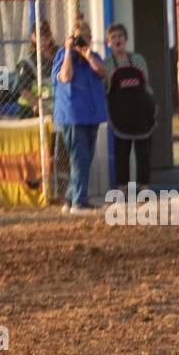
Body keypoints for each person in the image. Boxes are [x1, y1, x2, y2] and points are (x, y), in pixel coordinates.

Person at [52, 17, 108, 214]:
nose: (81, 41)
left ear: (91, 38)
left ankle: (70, 199)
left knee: (85, 158)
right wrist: (69, 50)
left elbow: (102, 73)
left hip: (92, 115)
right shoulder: (62, 55)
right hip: (73, 115)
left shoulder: (95, 56)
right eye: (78, 38)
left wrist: (88, 54)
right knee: (79, 159)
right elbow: (65, 76)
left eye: (85, 37)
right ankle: (79, 202)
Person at [103, 23, 156, 190]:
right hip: (120, 116)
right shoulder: (106, 64)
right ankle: (122, 190)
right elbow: (105, 89)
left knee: (143, 153)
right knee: (122, 153)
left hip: (141, 113)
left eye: (120, 36)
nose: (117, 39)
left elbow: (145, 82)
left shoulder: (138, 59)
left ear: (125, 39)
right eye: (113, 37)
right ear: (108, 43)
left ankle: (144, 189)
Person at [16, 19, 58, 119]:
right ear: (33, 37)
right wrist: (43, 110)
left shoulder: (59, 57)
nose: (42, 39)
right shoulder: (26, 63)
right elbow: (24, 91)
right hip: (32, 112)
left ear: (50, 37)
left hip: (56, 110)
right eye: (39, 36)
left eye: (45, 35)